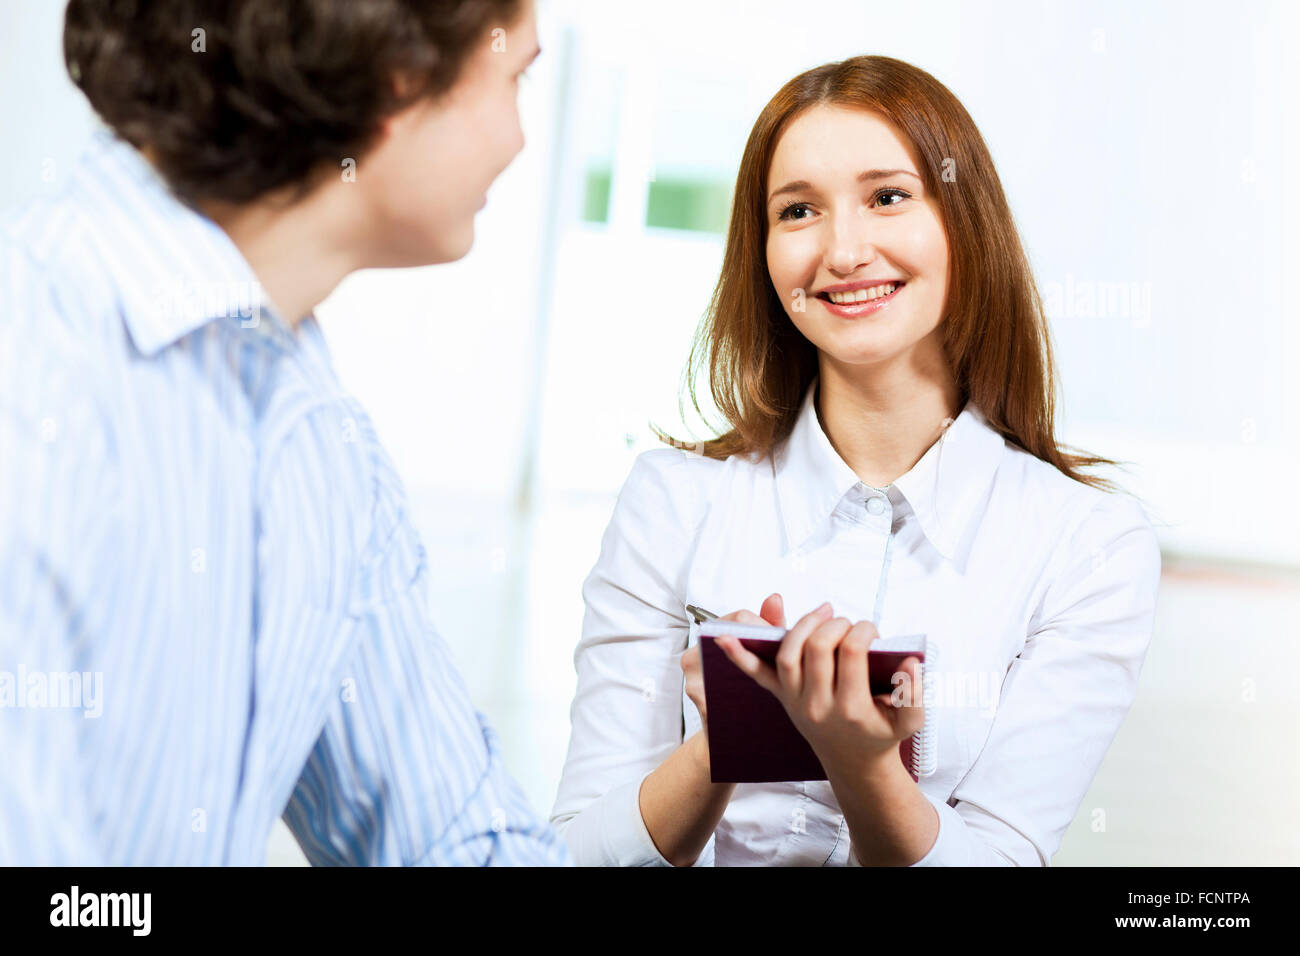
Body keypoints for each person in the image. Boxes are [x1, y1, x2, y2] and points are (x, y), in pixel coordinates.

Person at [550, 54, 1162, 867]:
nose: (844, 251)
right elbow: (571, 855)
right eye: (798, 210)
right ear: (763, 252)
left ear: (963, 222)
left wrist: (866, 769)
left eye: (887, 197)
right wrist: (724, 745)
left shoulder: (1090, 543)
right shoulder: (670, 504)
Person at [0, 0, 570, 865]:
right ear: (402, 71)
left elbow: (454, 834)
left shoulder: (315, 432)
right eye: (516, 75)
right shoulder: (35, 374)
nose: (520, 140)